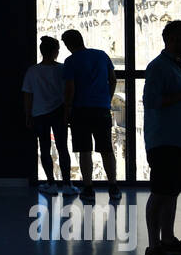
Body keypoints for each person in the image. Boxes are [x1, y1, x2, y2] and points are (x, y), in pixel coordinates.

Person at [141, 20, 181, 255]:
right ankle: (153, 246)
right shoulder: (158, 67)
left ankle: (168, 239)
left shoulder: (174, 66)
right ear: (173, 38)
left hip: (179, 139)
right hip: (164, 141)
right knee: (160, 192)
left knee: (171, 192)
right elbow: (151, 101)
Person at [61, 29, 119, 202]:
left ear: (69, 44)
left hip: (80, 110)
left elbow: (70, 89)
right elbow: (113, 79)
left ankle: (88, 188)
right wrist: (106, 98)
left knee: (85, 150)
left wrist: (67, 110)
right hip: (101, 109)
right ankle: (113, 186)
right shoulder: (101, 55)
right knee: (106, 149)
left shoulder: (70, 61)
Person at [23, 36, 75, 196]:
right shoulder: (62, 69)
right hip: (59, 112)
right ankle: (67, 184)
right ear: (54, 52)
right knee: (62, 148)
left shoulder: (33, 71)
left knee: (44, 148)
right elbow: (69, 91)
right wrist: (68, 111)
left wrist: (28, 115)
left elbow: (28, 95)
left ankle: (50, 183)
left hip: (39, 114)